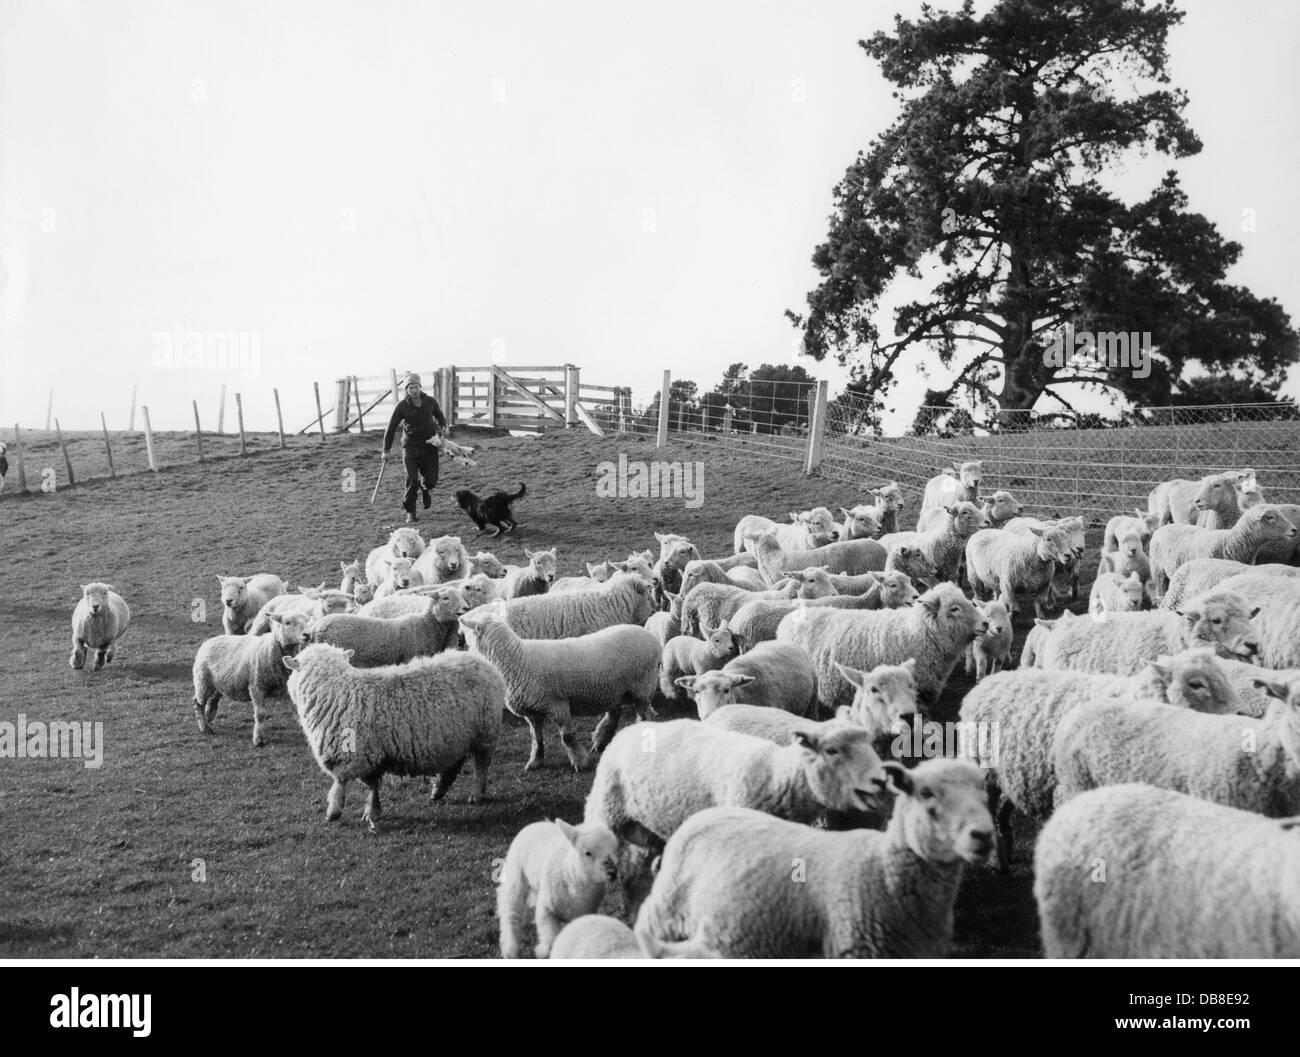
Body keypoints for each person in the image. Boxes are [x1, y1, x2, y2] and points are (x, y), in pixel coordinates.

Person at [382, 373, 447, 524]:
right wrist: (386, 450)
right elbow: (391, 428)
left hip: (430, 444)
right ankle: (410, 512)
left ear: (420, 387)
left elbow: (439, 415)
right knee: (411, 479)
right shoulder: (402, 406)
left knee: (431, 480)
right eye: (411, 387)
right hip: (410, 445)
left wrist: (443, 426)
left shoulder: (430, 401)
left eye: (416, 387)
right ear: (406, 389)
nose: (414, 390)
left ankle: (426, 489)